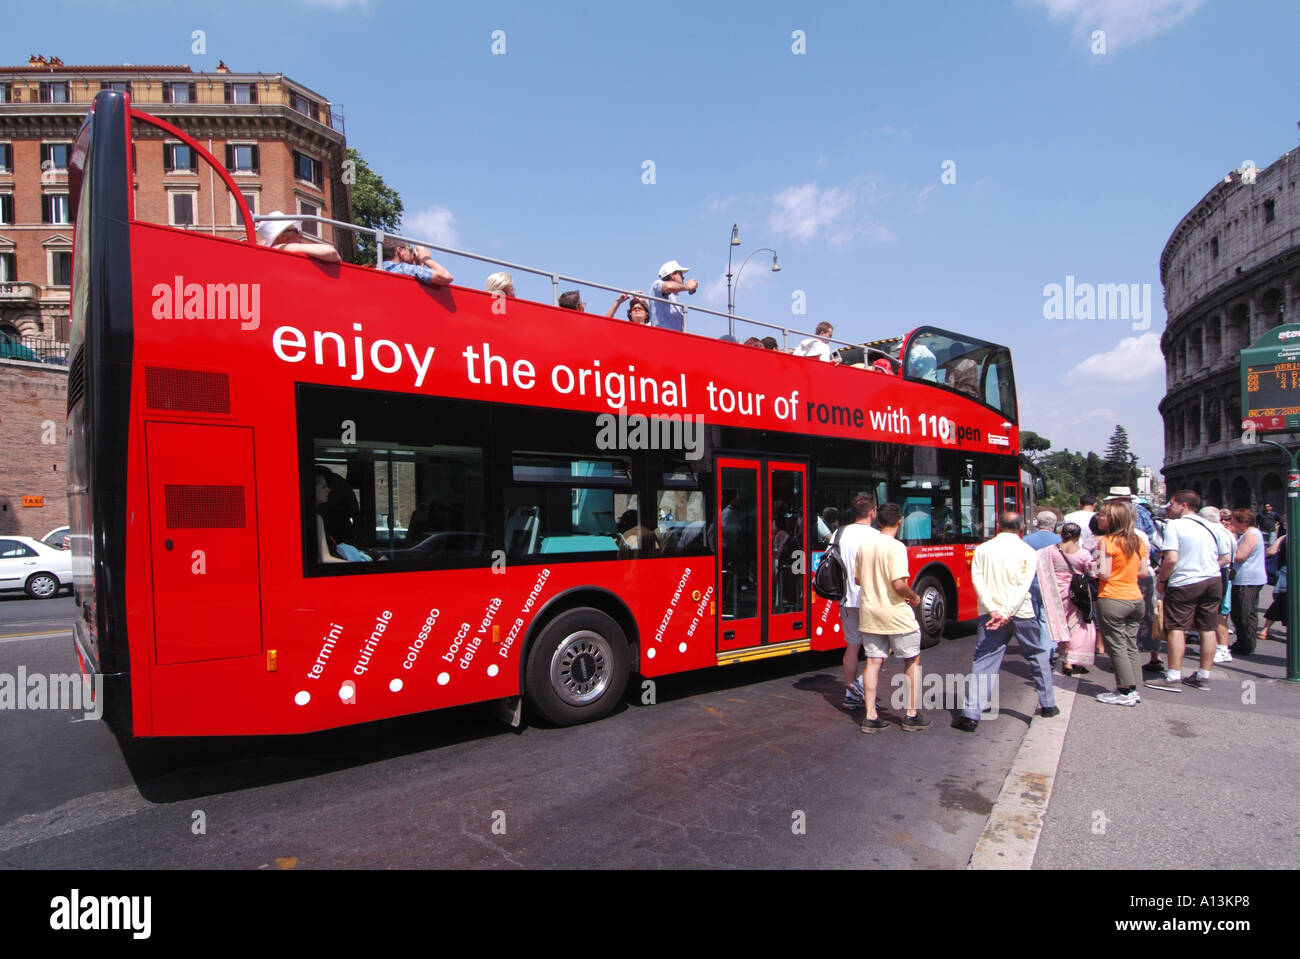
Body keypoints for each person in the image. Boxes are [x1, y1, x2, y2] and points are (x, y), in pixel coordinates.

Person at [953, 512, 1058, 731]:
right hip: (1021, 612)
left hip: (990, 615)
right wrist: (1008, 611)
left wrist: (993, 610)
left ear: (998, 525)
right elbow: (1023, 586)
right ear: (1021, 527)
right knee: (1037, 655)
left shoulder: (982, 549)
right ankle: (1048, 704)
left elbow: (977, 580)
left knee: (984, 660)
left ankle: (971, 714)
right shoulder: (1028, 552)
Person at [855, 502, 929, 732]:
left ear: (878, 520)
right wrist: (914, 597)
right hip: (896, 614)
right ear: (900, 522)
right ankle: (910, 714)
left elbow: (858, 580)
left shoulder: (865, 546)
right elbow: (898, 583)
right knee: (912, 660)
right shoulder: (896, 547)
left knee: (873, 663)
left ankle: (870, 716)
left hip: (870, 613)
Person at [1145, 490, 1228, 693]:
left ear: (1183, 505)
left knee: (1176, 627)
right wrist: (1205, 566)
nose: (1168, 508)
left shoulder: (1175, 525)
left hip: (1185, 581)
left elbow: (1171, 558)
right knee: (1207, 628)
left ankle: (1173, 675)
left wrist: (1162, 580)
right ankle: (1203, 675)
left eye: (1171, 504)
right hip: (1213, 579)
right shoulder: (1214, 526)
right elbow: (1225, 557)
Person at [1090, 500, 1151, 705]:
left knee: (1116, 646)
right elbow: (1143, 572)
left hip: (1112, 597)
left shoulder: (1106, 542)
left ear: (1113, 519)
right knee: (1130, 644)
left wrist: (1092, 567)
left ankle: (1124, 691)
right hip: (1135, 598)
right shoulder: (1138, 541)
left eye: (1104, 515)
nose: (1099, 517)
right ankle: (1133, 688)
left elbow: (1104, 573)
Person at [834, 493, 880, 709]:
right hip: (871, 600)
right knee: (880, 649)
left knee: (852, 646)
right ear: (872, 511)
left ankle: (849, 692)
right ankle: (860, 685)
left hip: (846, 599)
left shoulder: (839, 533)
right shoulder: (876, 537)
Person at [1037, 521, 1095, 675]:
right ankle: (1069, 661)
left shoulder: (1049, 550)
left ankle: (1053, 655)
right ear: (1079, 536)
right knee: (1076, 626)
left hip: (1055, 593)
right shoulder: (1083, 554)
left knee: (1058, 623)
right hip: (1076, 594)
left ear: (1061, 534)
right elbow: (1093, 572)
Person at [1227, 508, 1266, 657]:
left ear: (1242, 522)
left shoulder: (1250, 535)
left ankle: (1246, 643)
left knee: (1243, 612)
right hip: (1248, 577)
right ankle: (1244, 641)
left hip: (1247, 579)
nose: (1232, 524)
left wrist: (1230, 542)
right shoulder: (1251, 534)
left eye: (1234, 521)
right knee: (1244, 612)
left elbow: (1240, 556)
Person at [257, 212, 340, 263]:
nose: (301, 235)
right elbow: (331, 252)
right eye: (296, 231)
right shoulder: (281, 248)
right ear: (282, 236)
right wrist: (285, 246)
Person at [380, 237, 453, 286]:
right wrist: (425, 259)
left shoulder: (378, 268)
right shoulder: (404, 268)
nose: (410, 253)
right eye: (409, 249)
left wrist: (418, 266)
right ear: (400, 251)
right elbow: (446, 277)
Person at [648, 260, 696, 331]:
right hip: (661, 335)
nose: (683, 277)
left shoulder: (675, 299)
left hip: (674, 338)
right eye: (681, 274)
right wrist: (688, 287)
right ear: (673, 275)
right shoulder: (657, 284)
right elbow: (668, 287)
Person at [1261, 534, 1288, 641]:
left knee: (1280, 601)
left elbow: (1271, 551)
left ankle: (1265, 630)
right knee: (1284, 602)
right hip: (1288, 573)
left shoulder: (1286, 537)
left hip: (1284, 573)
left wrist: (1280, 538)